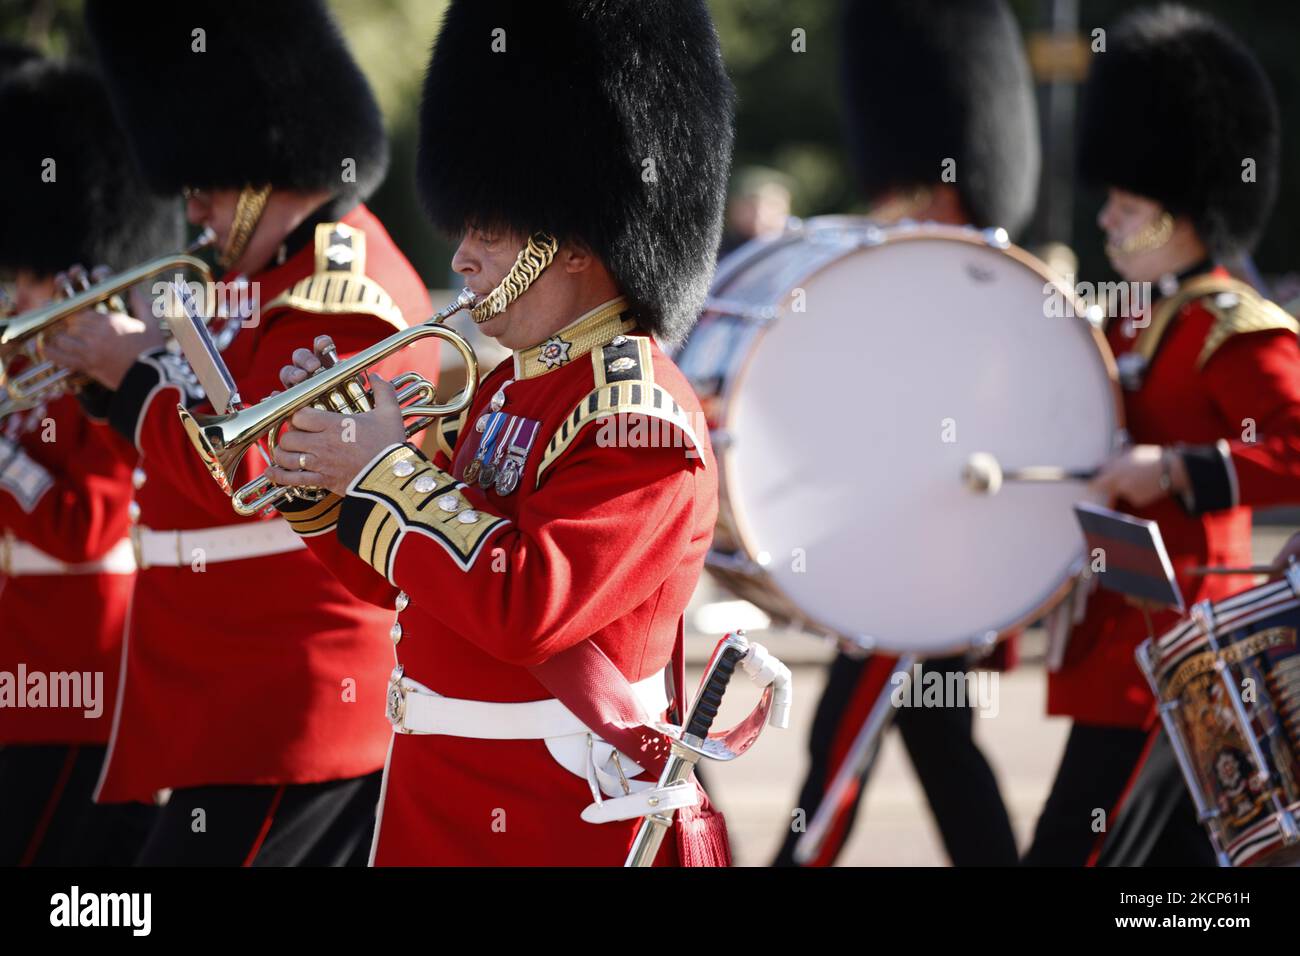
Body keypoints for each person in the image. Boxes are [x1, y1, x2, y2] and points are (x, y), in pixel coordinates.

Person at [262, 0, 734, 866]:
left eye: (489, 228)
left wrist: (388, 473)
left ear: (576, 242)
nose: (462, 258)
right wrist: (325, 476)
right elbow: (413, 584)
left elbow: (526, 610)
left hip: (557, 806)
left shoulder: (636, 417)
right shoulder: (512, 386)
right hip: (436, 791)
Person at [41, 0, 438, 866]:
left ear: (266, 161)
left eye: (207, 185)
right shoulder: (251, 286)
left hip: (290, 708)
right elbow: (171, 473)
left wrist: (133, 377)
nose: (195, 211)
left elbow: (261, 476)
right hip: (221, 702)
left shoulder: (345, 293)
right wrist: (110, 389)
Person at [1024, 4, 1300, 866]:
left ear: (1180, 209)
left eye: (1126, 202)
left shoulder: (1234, 327)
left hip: (1182, 650)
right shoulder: (1138, 322)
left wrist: (1178, 468)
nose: (1107, 218)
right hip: (1122, 640)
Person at [773, 0, 1037, 868]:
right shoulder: (923, 278)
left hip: (927, 574)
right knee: (941, 754)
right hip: (907, 564)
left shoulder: (984, 290)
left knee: (839, 755)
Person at [0, 51, 178, 867]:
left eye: (30, 279)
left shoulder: (95, 380)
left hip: (77, 686)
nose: (18, 297)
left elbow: (86, 525)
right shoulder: (20, 368)